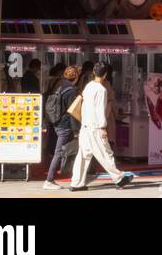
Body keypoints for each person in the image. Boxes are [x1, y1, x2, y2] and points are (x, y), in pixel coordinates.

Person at [70, 62, 134, 192]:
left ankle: (77, 183)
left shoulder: (88, 86)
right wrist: (103, 128)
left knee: (83, 155)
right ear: (105, 74)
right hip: (96, 127)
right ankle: (119, 178)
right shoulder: (102, 89)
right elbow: (100, 110)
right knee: (106, 154)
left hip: (85, 126)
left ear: (94, 72)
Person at [43, 64, 79, 189]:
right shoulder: (71, 90)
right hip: (65, 125)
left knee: (64, 150)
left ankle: (75, 175)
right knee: (59, 152)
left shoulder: (59, 85)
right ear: (76, 77)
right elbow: (72, 112)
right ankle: (49, 180)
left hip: (56, 122)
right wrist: (76, 130)